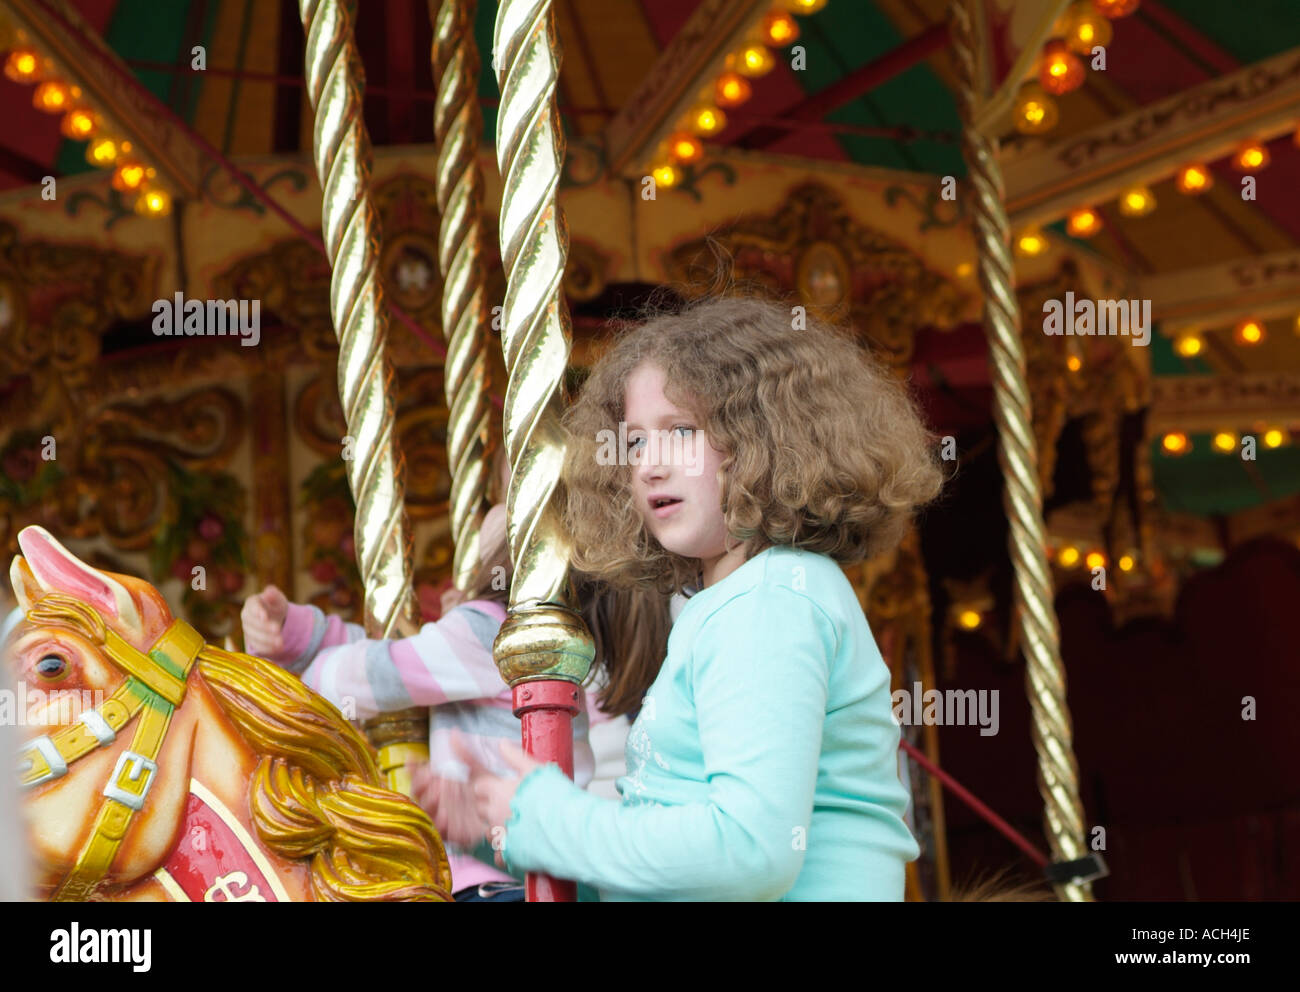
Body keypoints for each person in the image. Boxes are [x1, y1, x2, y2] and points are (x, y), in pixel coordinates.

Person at [455, 294, 944, 901]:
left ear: (765, 438)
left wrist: (549, 821)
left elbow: (745, 851)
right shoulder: (735, 600)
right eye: (634, 443)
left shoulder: (771, 603)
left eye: (681, 432)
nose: (649, 467)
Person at [242, 495, 673, 901]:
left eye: (503, 490)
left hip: (481, 875)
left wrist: (290, 682)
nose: (489, 501)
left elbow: (380, 673)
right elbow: (399, 655)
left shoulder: (492, 633)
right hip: (544, 873)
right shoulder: (557, 643)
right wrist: (296, 634)